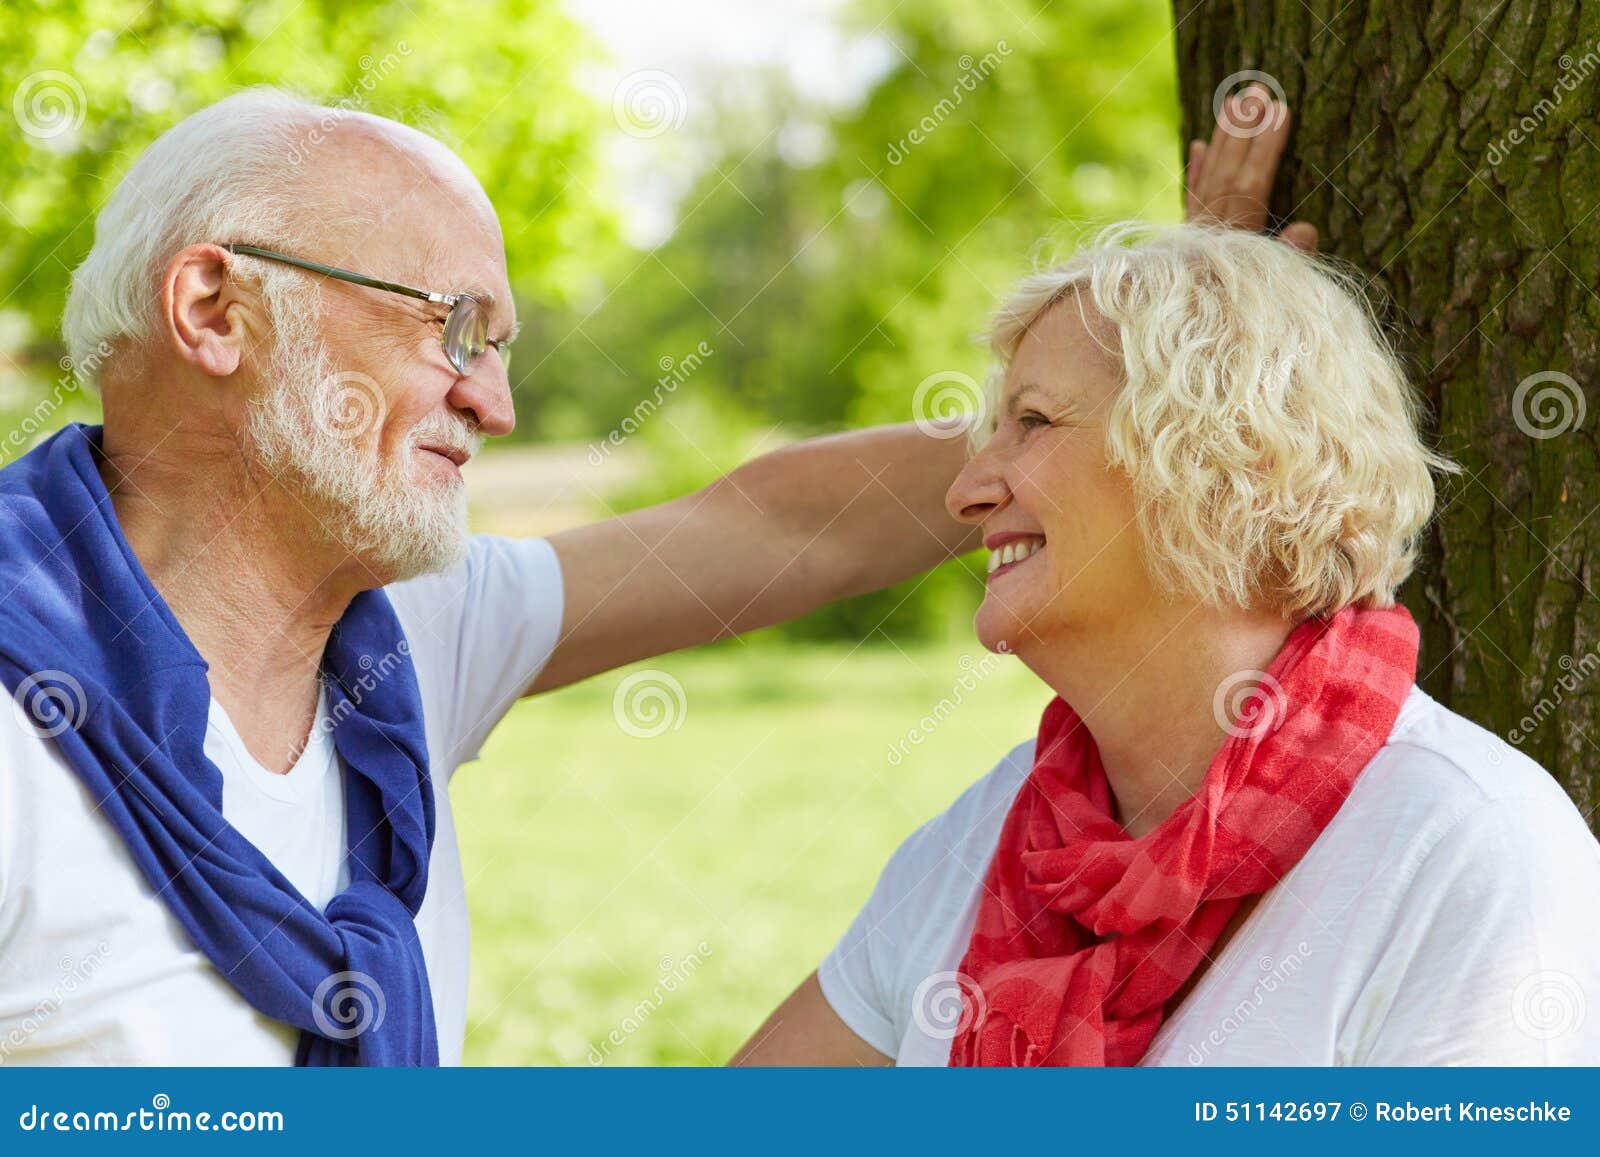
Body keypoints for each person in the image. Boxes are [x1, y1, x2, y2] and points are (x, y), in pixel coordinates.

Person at [0, 87, 988, 1066]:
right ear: (217, 310)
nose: (495, 404)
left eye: (501, 348)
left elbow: (778, 529)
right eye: (454, 328)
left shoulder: (407, 631)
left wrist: (1080, 420)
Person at [733, 186, 1600, 1068]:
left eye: (1031, 422)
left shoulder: (1468, 851)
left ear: (1217, 456)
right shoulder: (989, 837)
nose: (966, 493)